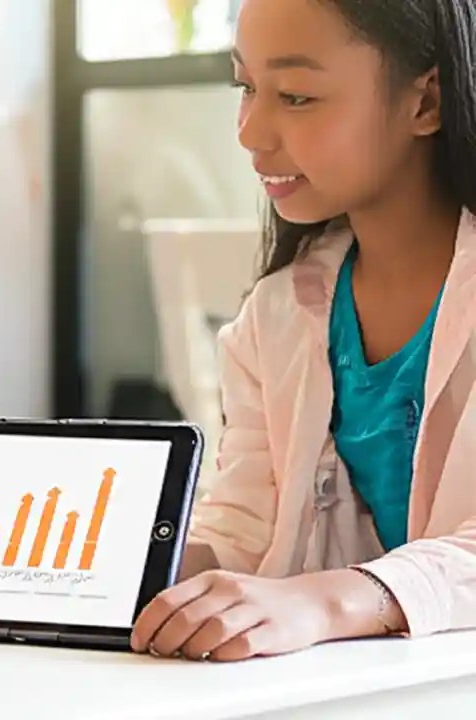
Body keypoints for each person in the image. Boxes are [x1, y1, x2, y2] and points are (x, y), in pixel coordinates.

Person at [131, 0, 476, 662]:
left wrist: (330, 600)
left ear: (425, 101)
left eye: (295, 95)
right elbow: (245, 529)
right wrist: (104, 563)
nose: (250, 132)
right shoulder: (277, 314)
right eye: (246, 87)